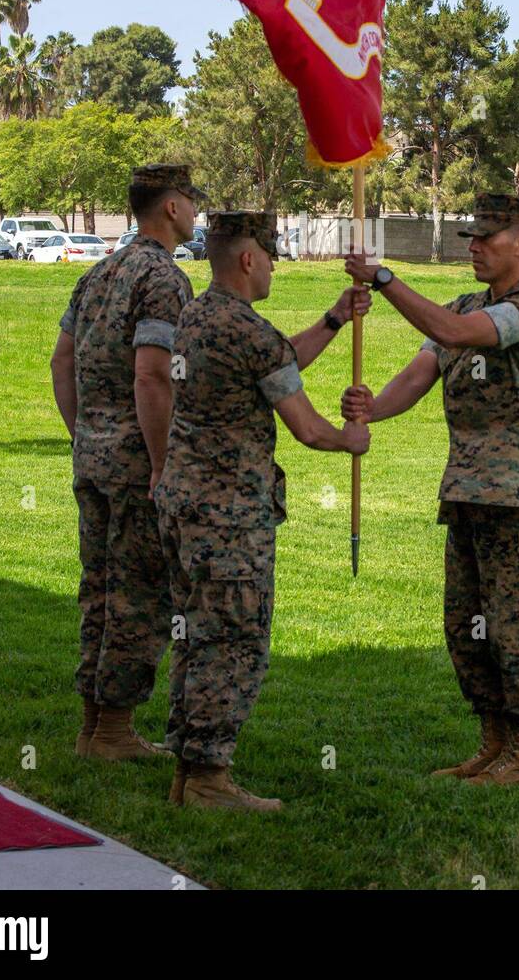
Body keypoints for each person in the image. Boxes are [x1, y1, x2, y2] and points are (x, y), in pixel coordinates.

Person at [342, 193, 519, 785]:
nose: (473, 248)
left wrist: (385, 278)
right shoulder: (466, 302)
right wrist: (372, 411)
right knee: (465, 625)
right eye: (470, 237)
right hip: (468, 491)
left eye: (486, 239)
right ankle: (492, 743)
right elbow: (420, 375)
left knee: (515, 625)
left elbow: (453, 331)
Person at [156, 210, 371, 813]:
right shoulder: (245, 330)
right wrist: (349, 438)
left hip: (184, 506)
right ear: (249, 259)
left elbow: (276, 362)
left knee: (196, 636)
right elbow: (305, 428)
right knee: (232, 641)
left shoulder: (197, 316)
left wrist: (333, 319)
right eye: (272, 255)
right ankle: (208, 780)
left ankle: (188, 769)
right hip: (228, 518)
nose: (275, 264)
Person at [50, 163, 206, 760]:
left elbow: (62, 362)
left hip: (92, 459)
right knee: (139, 595)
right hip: (137, 464)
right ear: (171, 206)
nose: (195, 212)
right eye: (190, 201)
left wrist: (84, 432)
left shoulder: (99, 273)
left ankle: (95, 725)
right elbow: (153, 371)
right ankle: (113, 731)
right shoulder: (162, 278)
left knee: (99, 588)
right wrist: (162, 463)